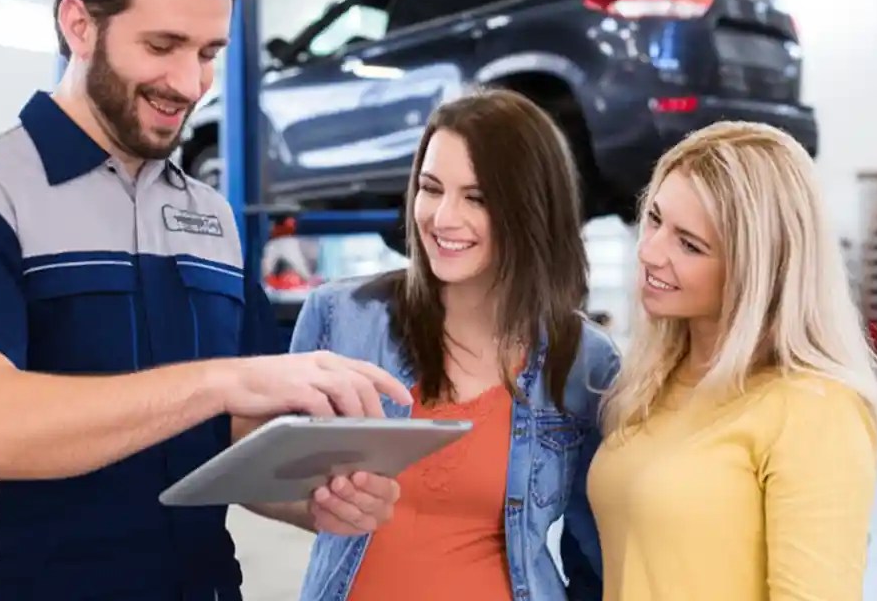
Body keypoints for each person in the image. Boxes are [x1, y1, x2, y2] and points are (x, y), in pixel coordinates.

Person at [0, 0, 411, 601]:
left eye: (208, 54)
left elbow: (235, 438)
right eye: (162, 47)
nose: (190, 85)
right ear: (79, 24)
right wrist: (220, 381)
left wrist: (311, 500)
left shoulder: (212, 218)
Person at [251, 88, 620, 601]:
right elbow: (263, 478)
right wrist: (320, 504)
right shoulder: (342, 319)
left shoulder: (586, 363)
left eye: (477, 198)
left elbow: (599, 556)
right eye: (430, 188)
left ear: (531, 210)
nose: (442, 217)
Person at [587, 121, 877, 601]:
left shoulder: (813, 409)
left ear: (756, 267)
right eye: (654, 219)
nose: (650, 252)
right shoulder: (655, 382)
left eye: (688, 244)